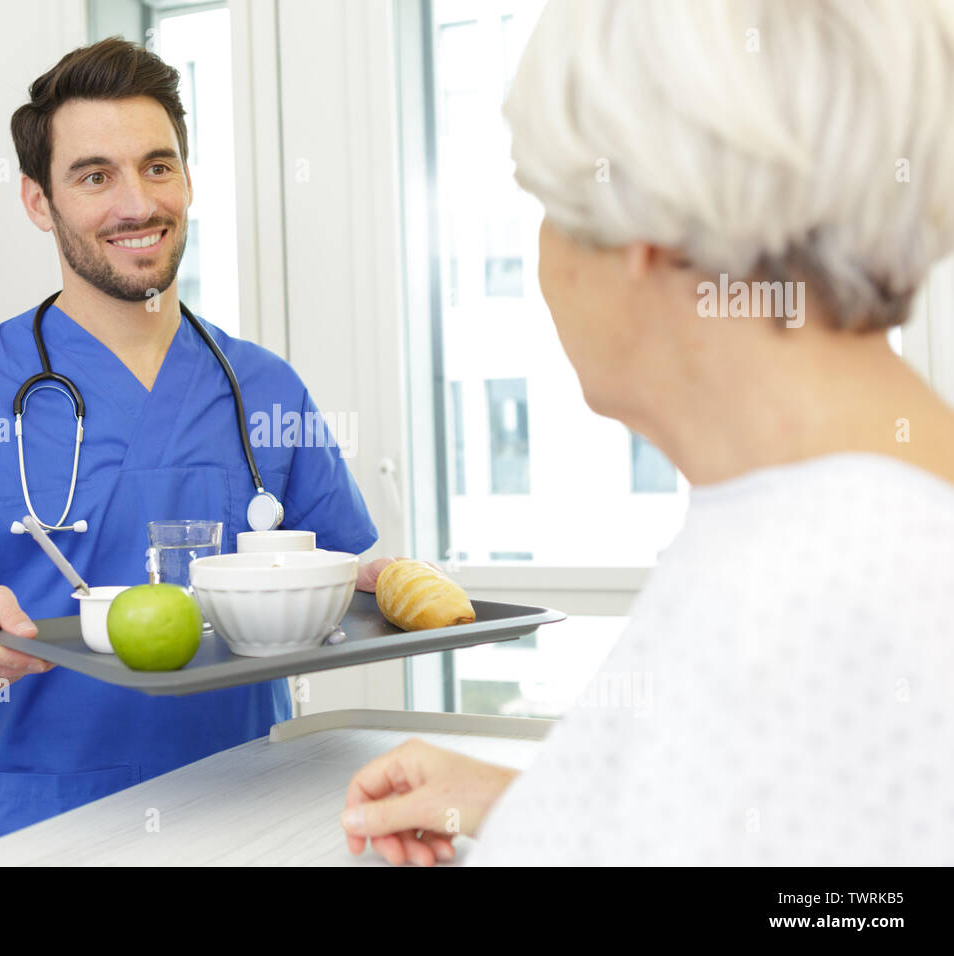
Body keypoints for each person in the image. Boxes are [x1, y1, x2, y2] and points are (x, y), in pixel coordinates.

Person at [341, 0, 954, 866]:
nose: (546, 263)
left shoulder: (824, 588)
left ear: (641, 228)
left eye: (547, 205)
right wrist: (527, 804)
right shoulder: (820, 518)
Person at [0, 37, 384, 844]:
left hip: (260, 818)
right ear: (39, 202)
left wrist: (381, 589)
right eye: (94, 175)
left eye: (159, 165)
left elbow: (347, 592)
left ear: (187, 177)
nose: (137, 204)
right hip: (57, 833)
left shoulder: (266, 389)